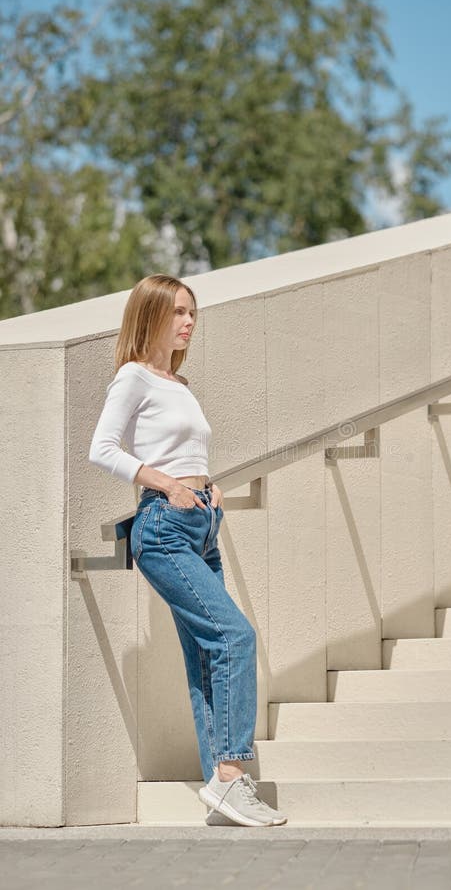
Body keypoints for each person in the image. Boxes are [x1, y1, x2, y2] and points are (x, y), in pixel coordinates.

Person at [89, 273, 286, 827]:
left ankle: (219, 786)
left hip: (201, 523)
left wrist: (206, 484)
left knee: (207, 654)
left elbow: (185, 451)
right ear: (149, 314)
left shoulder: (179, 384)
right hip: (163, 528)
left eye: (192, 312)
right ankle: (230, 774)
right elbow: (101, 449)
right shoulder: (132, 377)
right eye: (178, 311)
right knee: (234, 635)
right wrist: (168, 485)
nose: (189, 321)